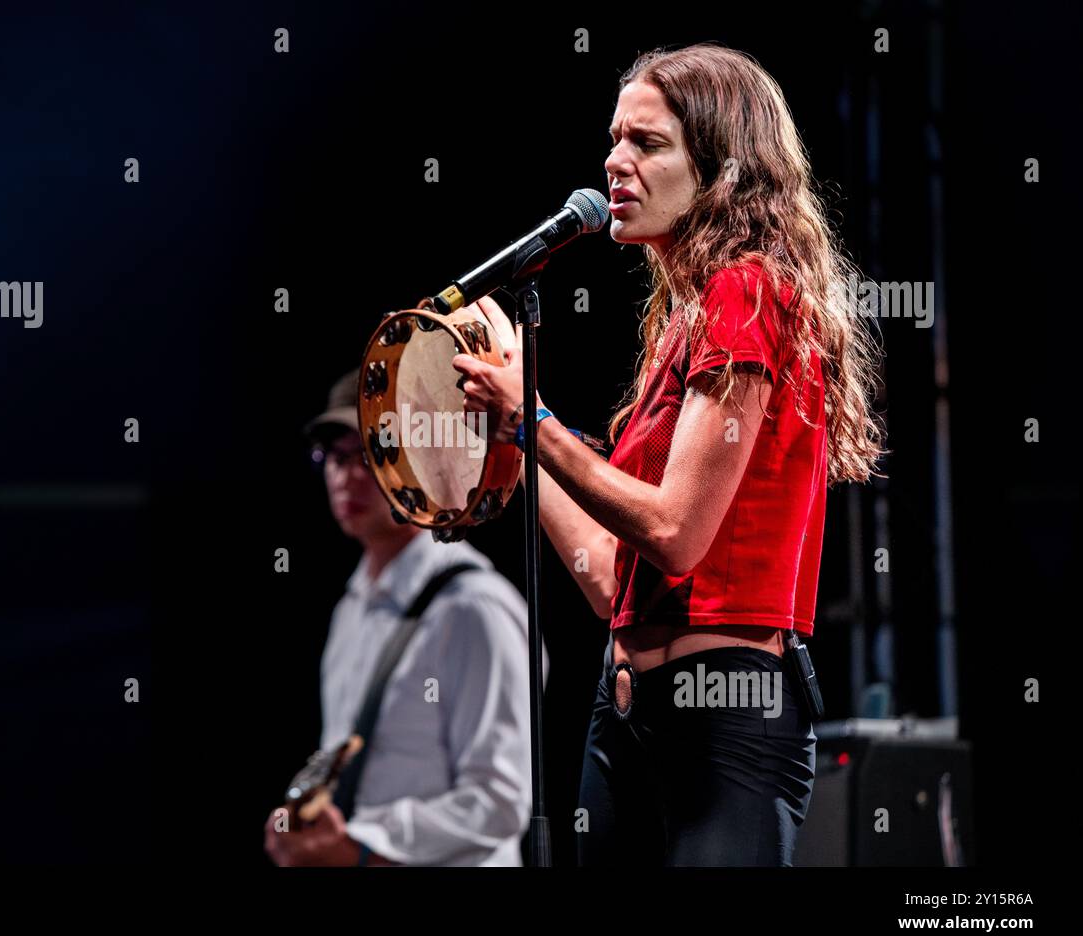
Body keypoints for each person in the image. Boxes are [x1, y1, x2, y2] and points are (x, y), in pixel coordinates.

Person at [451, 43, 885, 865]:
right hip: (623, 717)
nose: (615, 161)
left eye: (647, 143)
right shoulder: (679, 328)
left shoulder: (747, 291)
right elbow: (618, 580)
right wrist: (519, 439)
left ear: (721, 167)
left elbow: (677, 531)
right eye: (615, 139)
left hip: (722, 721)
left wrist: (533, 415)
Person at [263, 369, 543, 866]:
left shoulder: (474, 606)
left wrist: (363, 848)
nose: (346, 474)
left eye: (370, 454)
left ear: (421, 460)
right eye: (334, 456)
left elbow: (499, 802)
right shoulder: (352, 605)